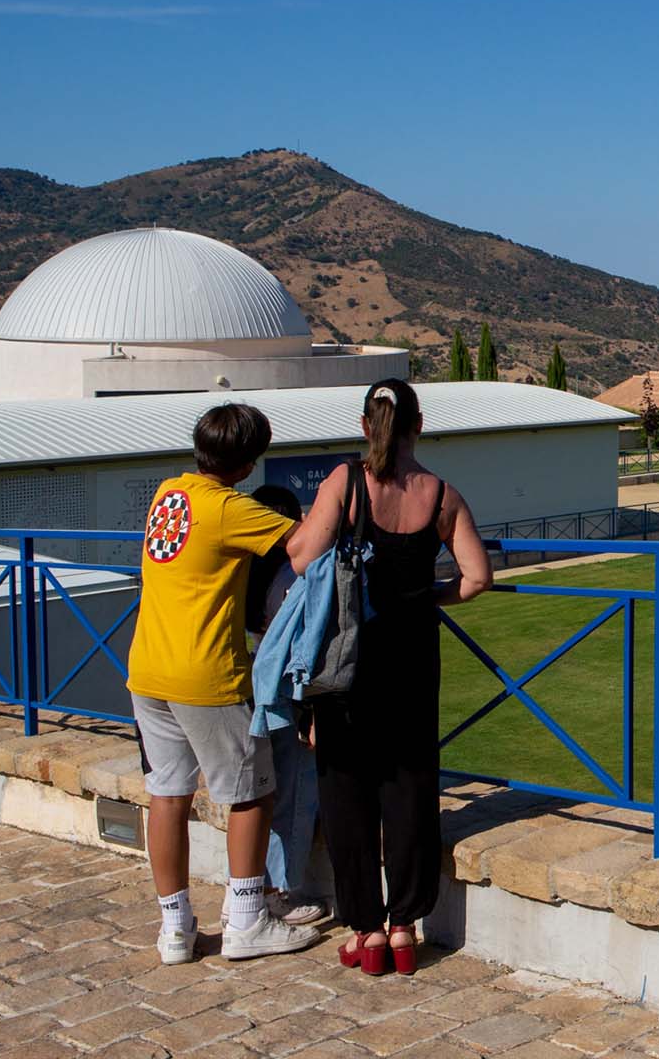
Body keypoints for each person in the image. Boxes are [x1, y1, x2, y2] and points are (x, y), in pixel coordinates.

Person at [286, 380, 493, 977]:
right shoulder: (442, 494)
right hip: (412, 660)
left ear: (364, 425)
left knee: (346, 794)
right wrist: (426, 596)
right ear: (418, 426)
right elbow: (477, 578)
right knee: (410, 789)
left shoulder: (345, 482)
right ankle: (405, 925)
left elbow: (302, 557)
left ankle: (368, 930)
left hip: (346, 665)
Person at [128, 403, 323, 965]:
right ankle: (246, 919)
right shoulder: (230, 508)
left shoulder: (170, 493)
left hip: (149, 668)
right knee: (252, 793)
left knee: (167, 794)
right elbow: (305, 544)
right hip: (206, 674)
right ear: (247, 463)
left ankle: (175, 928)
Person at [246, 484, 328, 928]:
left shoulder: (244, 569)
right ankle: (278, 892)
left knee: (258, 791)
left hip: (244, 685)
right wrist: (310, 712)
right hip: (280, 694)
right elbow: (301, 651)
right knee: (293, 790)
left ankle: (251, 888)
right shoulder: (291, 577)